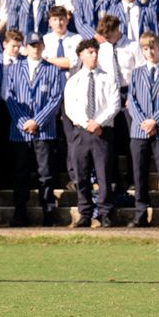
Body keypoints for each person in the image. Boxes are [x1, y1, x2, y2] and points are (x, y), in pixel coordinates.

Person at [2, 31, 63, 226]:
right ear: (25, 47)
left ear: (43, 47)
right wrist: (23, 122)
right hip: (20, 132)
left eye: (38, 45)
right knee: (20, 173)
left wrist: (37, 120)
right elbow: (9, 97)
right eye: (32, 45)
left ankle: (49, 212)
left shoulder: (53, 70)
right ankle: (19, 212)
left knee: (45, 173)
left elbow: (55, 100)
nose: (35, 48)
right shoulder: (13, 69)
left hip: (43, 130)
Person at [63, 38, 118, 228]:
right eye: (90, 52)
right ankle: (85, 213)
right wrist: (86, 123)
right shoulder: (74, 81)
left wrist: (98, 122)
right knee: (82, 175)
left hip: (102, 132)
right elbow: (70, 108)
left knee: (104, 175)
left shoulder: (108, 78)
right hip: (81, 132)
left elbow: (114, 104)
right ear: (81, 55)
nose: (94, 56)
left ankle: (105, 213)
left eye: (96, 52)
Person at [127, 31, 159, 227]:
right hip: (139, 131)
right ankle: (140, 214)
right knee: (139, 174)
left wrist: (154, 121)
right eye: (146, 49)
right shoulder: (136, 73)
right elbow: (132, 101)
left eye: (153, 48)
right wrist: (144, 122)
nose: (150, 52)